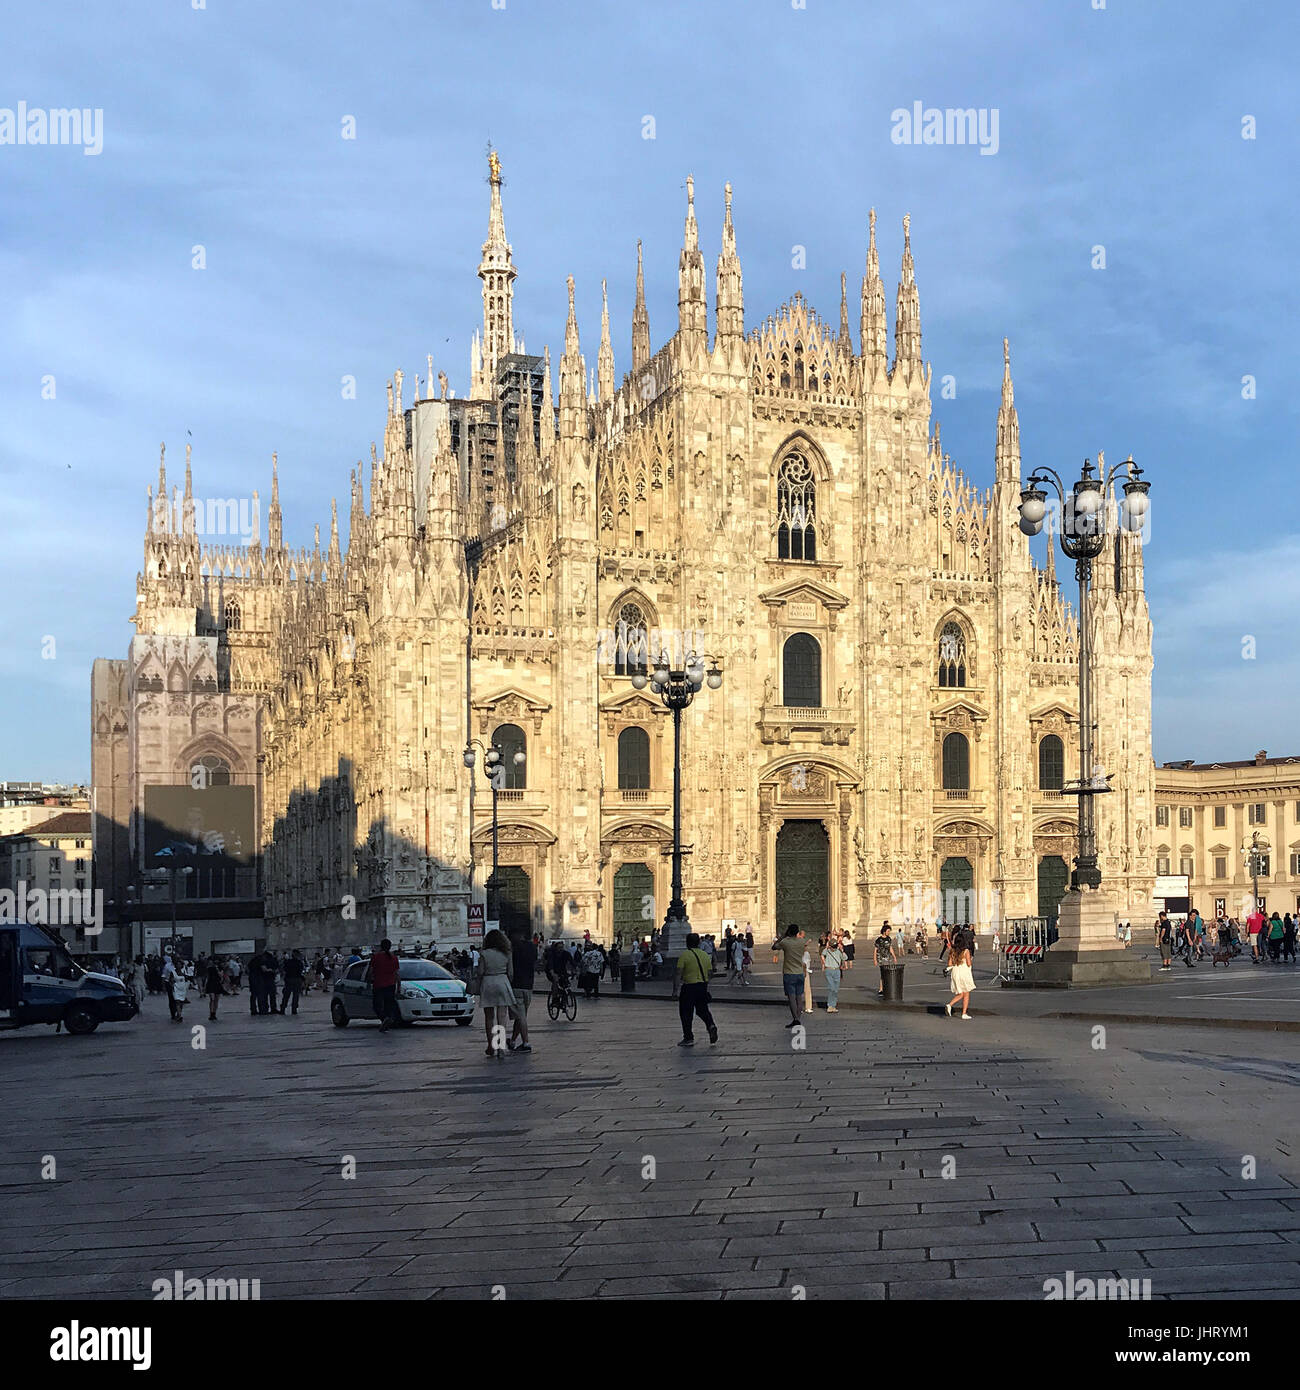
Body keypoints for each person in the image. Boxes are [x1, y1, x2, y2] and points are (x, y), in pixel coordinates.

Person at [476, 929, 517, 1058]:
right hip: (502, 981)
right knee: (502, 1017)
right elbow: (511, 973)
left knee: (489, 1017)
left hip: (488, 982)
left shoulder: (484, 953)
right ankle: (501, 1046)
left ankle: (491, 1045)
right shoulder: (507, 953)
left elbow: (480, 972)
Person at [672, 932, 718, 1047]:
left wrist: (675, 990)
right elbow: (710, 973)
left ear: (687, 943)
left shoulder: (685, 955)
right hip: (702, 986)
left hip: (689, 987)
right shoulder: (704, 955)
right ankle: (711, 1025)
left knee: (686, 1013)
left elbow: (678, 973)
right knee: (702, 1010)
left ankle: (688, 1038)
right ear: (698, 942)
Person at [772, 924, 808, 1029]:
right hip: (800, 972)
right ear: (797, 932)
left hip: (789, 973)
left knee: (791, 998)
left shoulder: (785, 942)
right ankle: (798, 1019)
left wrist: (783, 935)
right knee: (799, 997)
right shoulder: (802, 942)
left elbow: (774, 946)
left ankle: (795, 1019)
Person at [506, 929, 534, 1054]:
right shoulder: (532, 947)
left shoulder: (512, 949)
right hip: (529, 986)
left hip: (516, 985)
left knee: (518, 1016)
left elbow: (510, 971)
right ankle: (512, 1041)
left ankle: (526, 1043)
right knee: (521, 1016)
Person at [370, 938, 401, 1032]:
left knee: (377, 1006)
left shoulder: (376, 957)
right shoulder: (394, 958)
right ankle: (387, 1019)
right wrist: (398, 986)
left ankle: (384, 1019)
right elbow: (396, 974)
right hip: (391, 985)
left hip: (379, 984)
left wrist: (369, 981)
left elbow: (371, 972)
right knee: (389, 1005)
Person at [945, 935, 975, 1019]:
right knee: (966, 992)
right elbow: (969, 964)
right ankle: (961, 1011)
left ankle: (959, 1011)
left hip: (955, 972)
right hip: (964, 972)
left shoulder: (952, 951)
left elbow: (950, 964)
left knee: (961, 992)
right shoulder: (966, 951)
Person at [821, 935, 847, 1013]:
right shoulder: (827, 950)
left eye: (835, 946)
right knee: (831, 988)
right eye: (833, 946)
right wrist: (824, 963)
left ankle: (833, 1005)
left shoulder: (838, 951)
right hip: (829, 970)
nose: (834, 948)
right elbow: (822, 954)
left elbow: (845, 958)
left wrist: (841, 950)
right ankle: (830, 1005)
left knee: (835, 990)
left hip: (837, 971)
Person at [874, 922, 899, 996]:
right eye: (888, 931)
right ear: (884, 931)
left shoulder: (889, 939)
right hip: (881, 958)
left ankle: (886, 988)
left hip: (888, 958)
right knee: (883, 973)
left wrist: (894, 957)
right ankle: (881, 989)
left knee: (887, 973)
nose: (889, 932)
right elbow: (875, 949)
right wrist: (875, 959)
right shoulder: (879, 939)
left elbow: (890, 948)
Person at [280, 949, 305, 1014]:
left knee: (286, 995)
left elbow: (284, 969)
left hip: (289, 979)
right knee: (296, 995)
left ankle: (283, 1008)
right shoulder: (299, 963)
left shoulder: (288, 962)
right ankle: (294, 1009)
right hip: (297, 979)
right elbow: (301, 971)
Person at [162, 953, 183, 1022]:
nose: (176, 959)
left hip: (180, 984)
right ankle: (173, 1013)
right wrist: (164, 986)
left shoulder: (182, 966)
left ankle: (179, 1013)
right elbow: (164, 976)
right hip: (170, 984)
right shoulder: (167, 966)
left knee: (180, 999)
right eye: (174, 958)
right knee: (172, 999)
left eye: (177, 958)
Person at [203, 956, 226, 1021]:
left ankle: (214, 1013)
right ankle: (211, 1013)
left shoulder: (220, 968)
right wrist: (204, 986)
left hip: (217, 983)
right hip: (210, 983)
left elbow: (221, 976)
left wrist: (217, 969)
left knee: (216, 999)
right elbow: (207, 977)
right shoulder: (209, 968)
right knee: (212, 998)